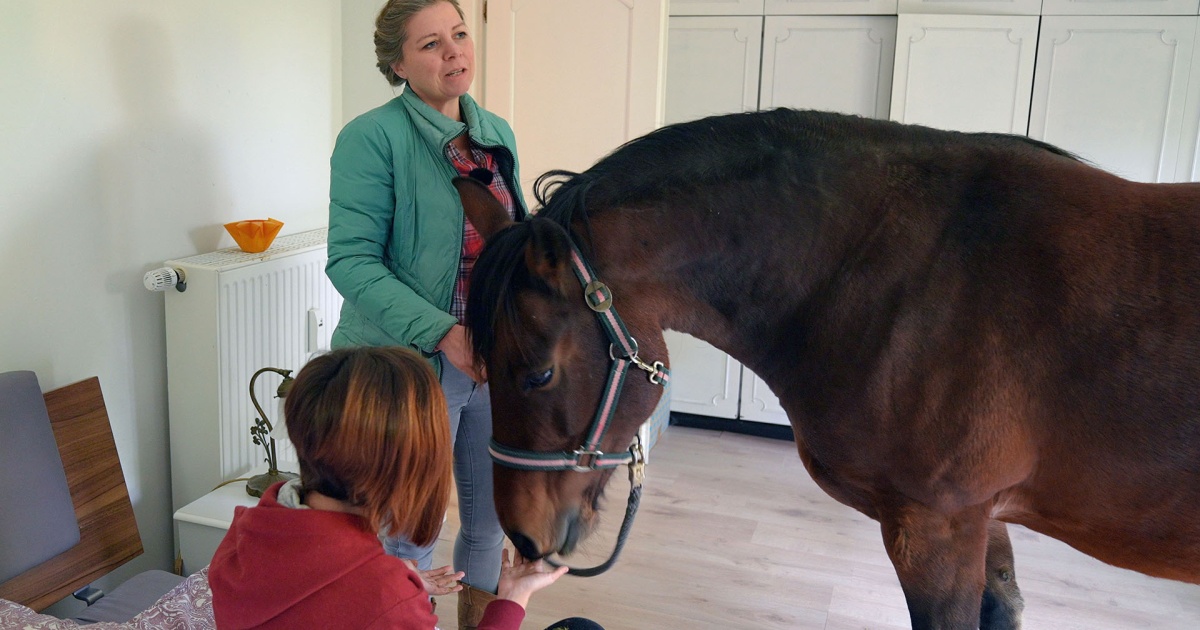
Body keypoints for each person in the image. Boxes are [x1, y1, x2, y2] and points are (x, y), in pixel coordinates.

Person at [324, 0, 527, 627]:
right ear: (398, 64)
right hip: (408, 365)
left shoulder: (496, 132)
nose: (454, 51)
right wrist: (445, 333)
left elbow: (506, 248)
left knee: (490, 522)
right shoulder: (371, 137)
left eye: (459, 34)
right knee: (409, 531)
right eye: (431, 43)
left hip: (490, 360)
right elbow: (350, 262)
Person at [208, 347, 602, 630]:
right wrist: (511, 601)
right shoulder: (388, 601)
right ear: (410, 466)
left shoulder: (245, 535)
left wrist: (387, 574)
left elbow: (316, 595)